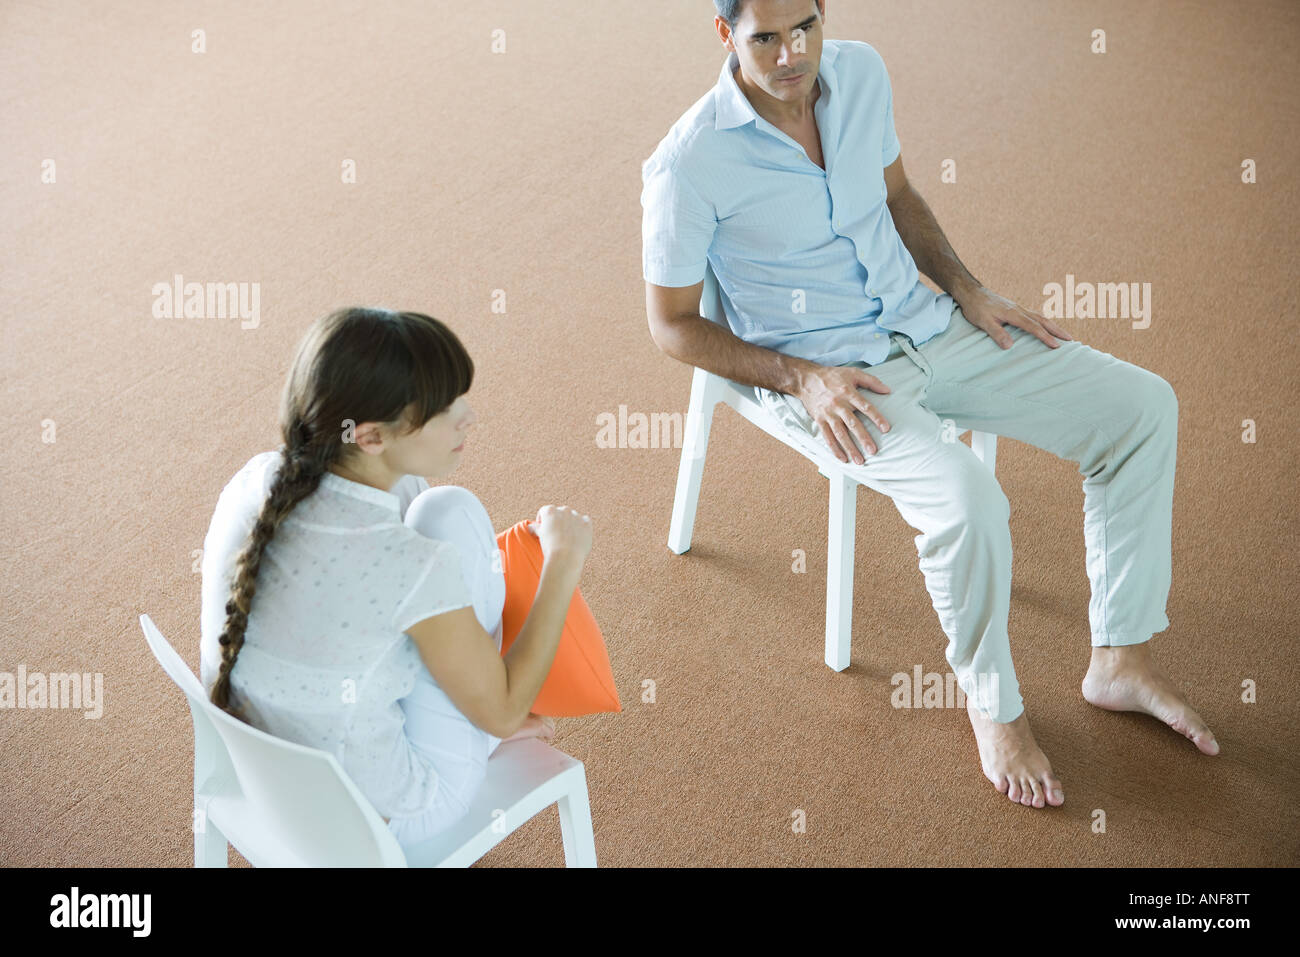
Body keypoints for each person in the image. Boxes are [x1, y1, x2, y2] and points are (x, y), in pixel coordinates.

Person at [640, 0, 1218, 810]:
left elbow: (901, 195)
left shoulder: (862, 73)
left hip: (925, 324)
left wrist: (968, 288)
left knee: (1142, 406)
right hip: (828, 376)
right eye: (764, 37)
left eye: (803, 26)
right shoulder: (688, 162)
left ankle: (1119, 657)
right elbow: (671, 325)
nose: (790, 54)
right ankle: (994, 704)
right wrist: (799, 376)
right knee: (968, 501)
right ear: (725, 36)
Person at [198, 307, 593, 848]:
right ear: (371, 437)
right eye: (445, 408)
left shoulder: (255, 480)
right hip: (389, 815)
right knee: (450, 511)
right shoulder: (411, 565)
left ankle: (465, 706)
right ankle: (468, 729)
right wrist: (563, 563)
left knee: (416, 499)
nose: (468, 416)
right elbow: (504, 713)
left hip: (262, 777)